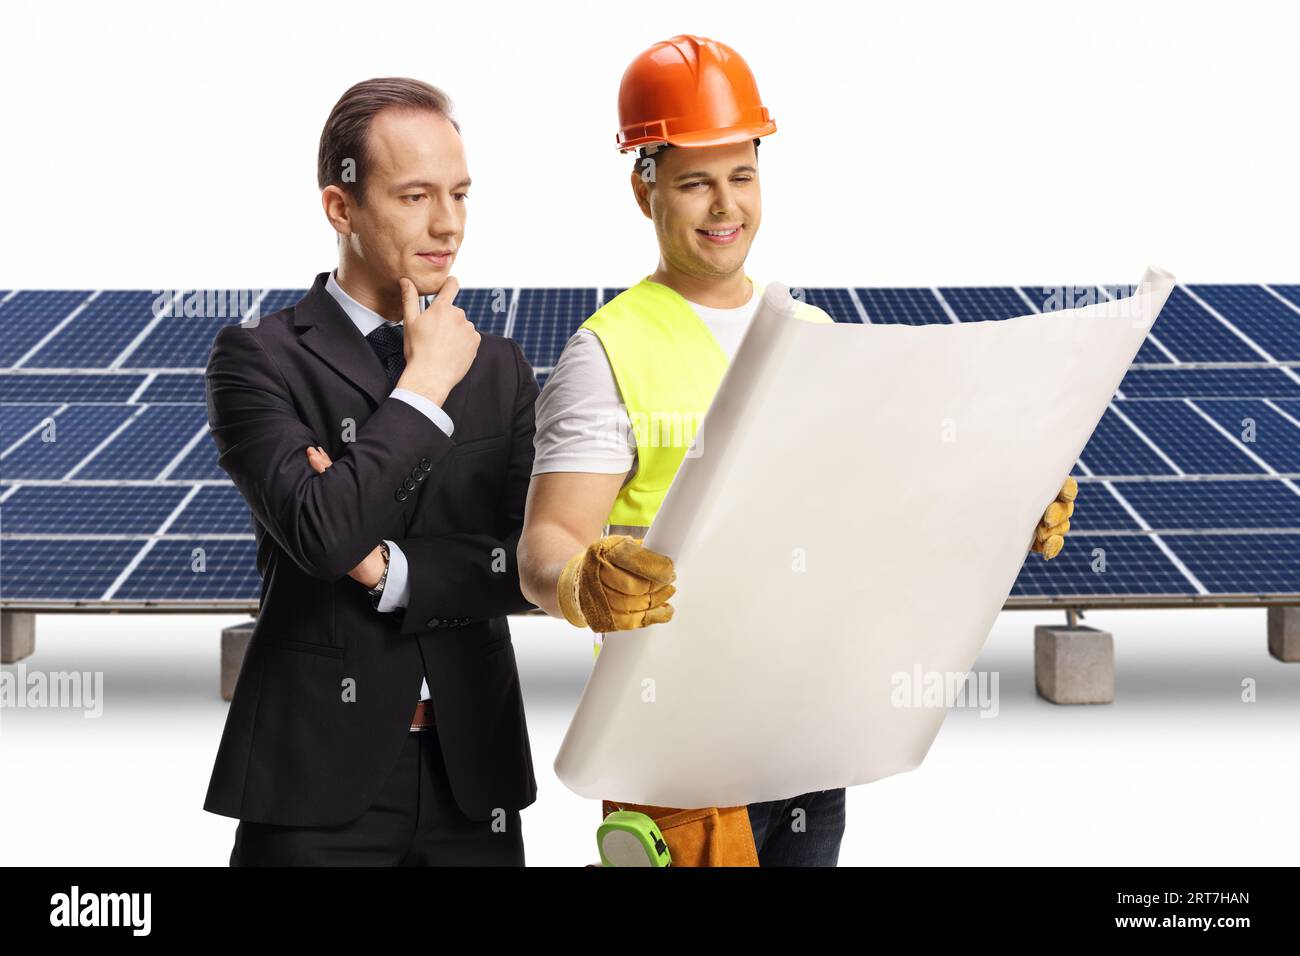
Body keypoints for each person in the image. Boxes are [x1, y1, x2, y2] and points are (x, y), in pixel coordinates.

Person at [518, 35, 1077, 867]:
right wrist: (579, 580)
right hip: (679, 751)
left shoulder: (813, 336)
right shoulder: (607, 353)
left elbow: (885, 512)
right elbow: (544, 547)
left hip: (812, 737)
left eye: (741, 175)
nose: (724, 206)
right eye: (695, 182)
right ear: (645, 190)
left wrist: (1005, 498)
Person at [203, 77, 538, 865]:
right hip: (313, 787)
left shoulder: (500, 369)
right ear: (341, 207)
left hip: (473, 783)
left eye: (459, 193)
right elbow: (323, 535)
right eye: (416, 195)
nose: (447, 223)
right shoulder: (258, 360)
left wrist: (388, 567)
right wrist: (423, 389)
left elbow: (523, 562)